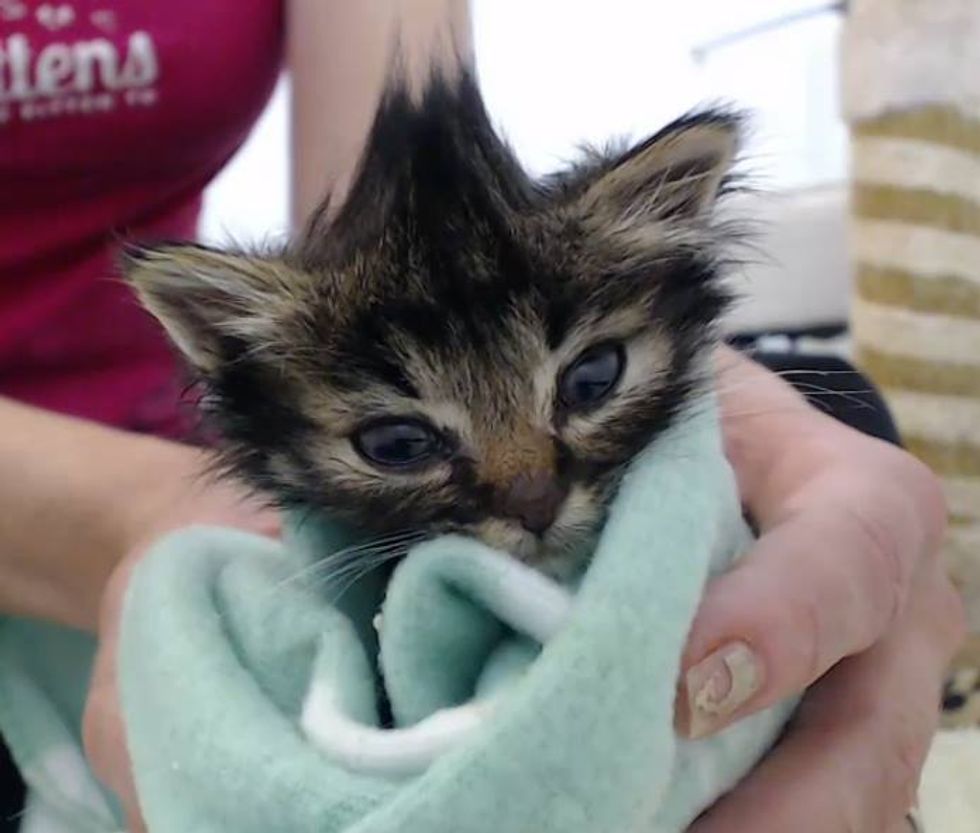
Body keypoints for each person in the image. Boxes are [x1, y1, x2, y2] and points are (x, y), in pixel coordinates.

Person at [0, 2, 962, 832]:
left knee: (842, 418)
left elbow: (377, 214)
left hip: (188, 437)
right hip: (65, 515)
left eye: (587, 384)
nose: (528, 488)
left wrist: (753, 441)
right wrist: (146, 519)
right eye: (403, 444)